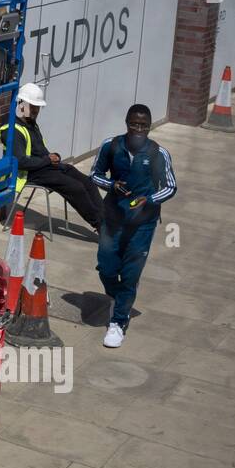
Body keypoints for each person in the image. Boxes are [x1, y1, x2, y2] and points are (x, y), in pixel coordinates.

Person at [89, 104, 176, 348]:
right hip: (113, 219)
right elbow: (94, 175)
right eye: (134, 124)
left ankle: (118, 321)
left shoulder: (159, 153)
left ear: (149, 127)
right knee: (106, 266)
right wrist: (110, 185)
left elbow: (170, 186)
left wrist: (149, 200)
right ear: (126, 123)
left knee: (130, 274)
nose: (138, 129)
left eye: (144, 125)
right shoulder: (111, 146)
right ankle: (121, 298)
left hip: (143, 224)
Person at [0, 83, 103, 232]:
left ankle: (107, 222)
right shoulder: (12, 129)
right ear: (20, 103)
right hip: (30, 174)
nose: (35, 110)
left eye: (37, 107)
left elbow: (39, 151)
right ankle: (101, 226)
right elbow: (20, 162)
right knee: (76, 188)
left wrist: (52, 157)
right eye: (32, 106)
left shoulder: (30, 123)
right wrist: (47, 160)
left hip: (44, 166)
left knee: (88, 183)